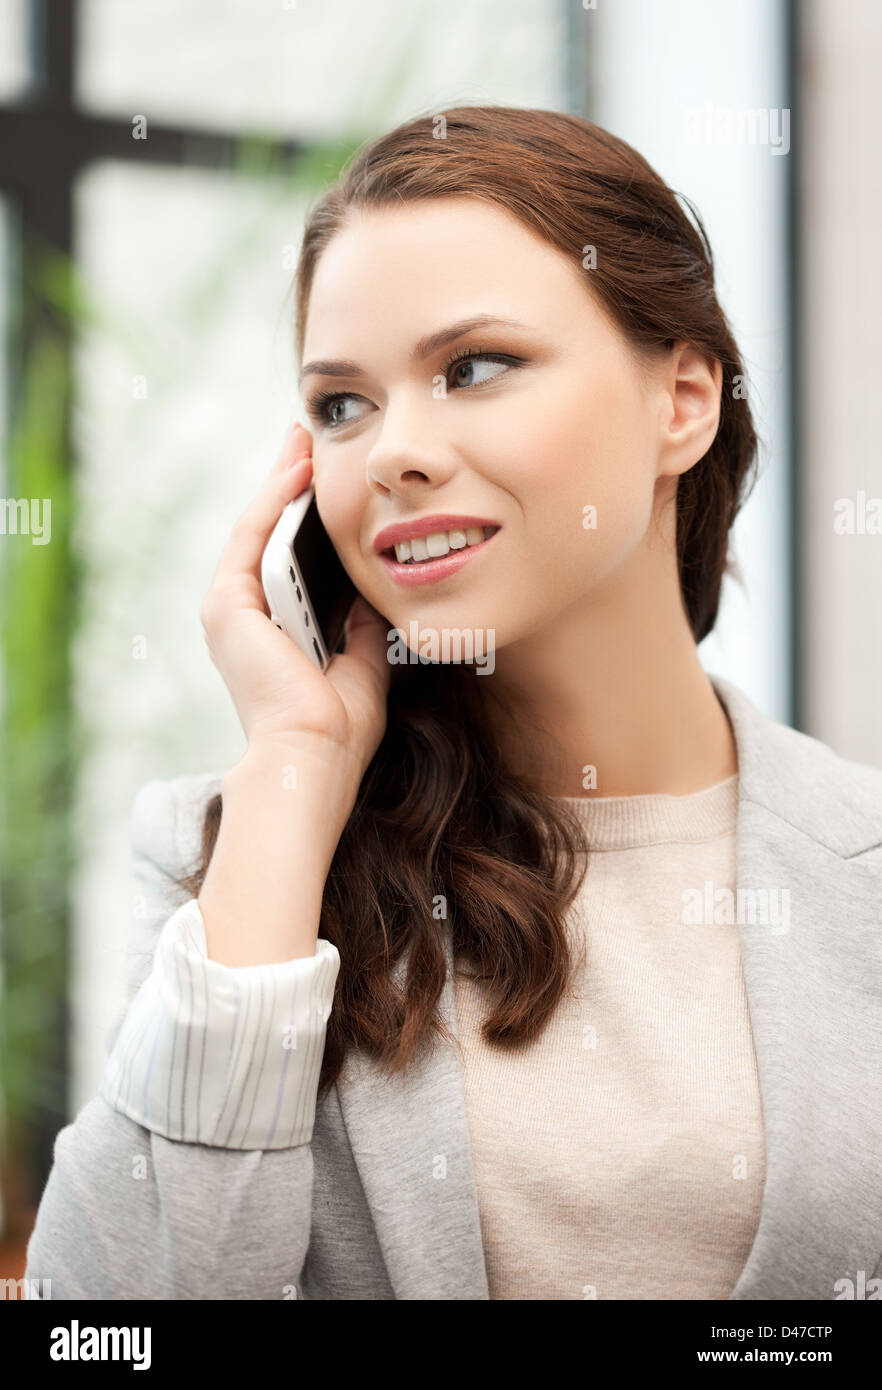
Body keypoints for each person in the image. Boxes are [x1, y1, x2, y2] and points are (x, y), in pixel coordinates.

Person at [25, 105, 882, 1301]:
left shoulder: (863, 868)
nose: (392, 454)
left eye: (473, 367)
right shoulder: (237, 859)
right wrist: (292, 772)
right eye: (341, 404)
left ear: (682, 400)